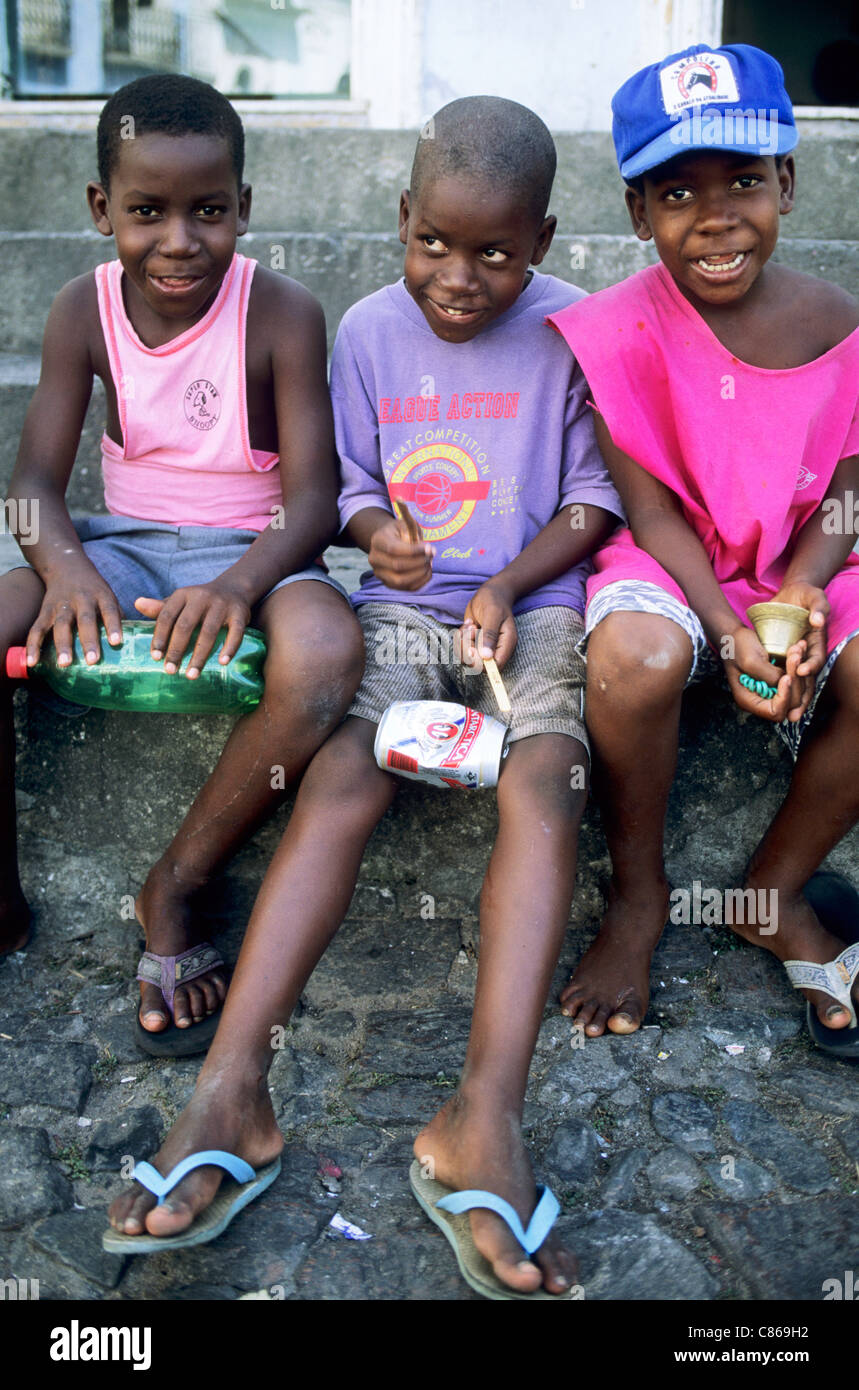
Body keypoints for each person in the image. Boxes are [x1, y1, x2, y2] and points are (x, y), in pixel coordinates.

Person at [104, 95, 624, 1298]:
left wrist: (508, 580)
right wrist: (378, 527)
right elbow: (340, 486)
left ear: (541, 242)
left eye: (493, 252)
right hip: (398, 612)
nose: (457, 274)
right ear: (401, 219)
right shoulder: (371, 335)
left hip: (532, 611)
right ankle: (233, 1091)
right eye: (433, 242)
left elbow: (594, 504)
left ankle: (482, 1114)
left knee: (546, 779)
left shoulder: (573, 334)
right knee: (342, 768)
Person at [0, 74, 364, 1055]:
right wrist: (69, 571)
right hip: (119, 544)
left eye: (209, 211)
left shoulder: (282, 311)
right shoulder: (83, 309)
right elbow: (30, 482)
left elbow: (318, 499)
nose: (180, 240)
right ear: (99, 209)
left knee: (327, 656)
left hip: (255, 550)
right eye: (146, 211)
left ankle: (181, 878)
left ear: (243, 207)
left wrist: (242, 584)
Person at [549, 44, 859, 1060]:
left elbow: (851, 490)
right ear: (639, 213)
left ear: (788, 185)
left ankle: (768, 892)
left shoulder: (837, 325)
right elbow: (650, 513)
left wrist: (806, 589)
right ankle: (639, 893)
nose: (716, 217)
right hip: (675, 562)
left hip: (806, 559)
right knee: (633, 658)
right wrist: (728, 630)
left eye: (743, 182)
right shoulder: (616, 333)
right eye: (678, 191)